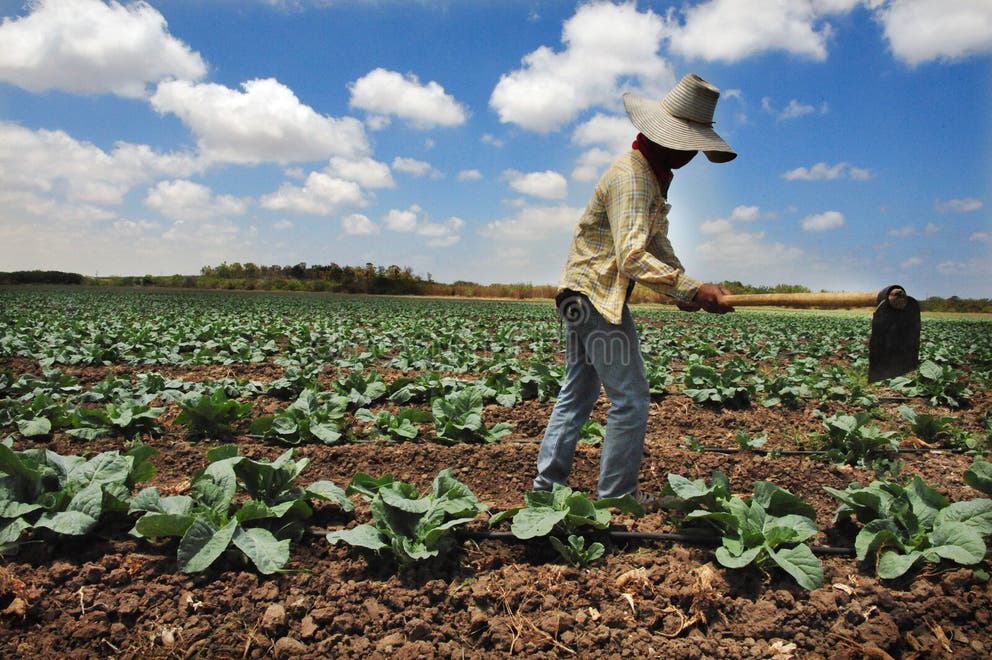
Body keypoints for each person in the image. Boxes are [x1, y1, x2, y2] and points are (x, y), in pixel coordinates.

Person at [532, 73, 736, 507]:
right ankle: (618, 496)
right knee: (631, 398)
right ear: (668, 138)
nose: (693, 155)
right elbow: (632, 257)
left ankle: (546, 490)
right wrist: (690, 289)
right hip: (593, 300)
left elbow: (655, 242)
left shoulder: (651, 175)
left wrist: (687, 289)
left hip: (578, 297)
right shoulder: (633, 178)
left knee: (577, 393)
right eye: (690, 144)